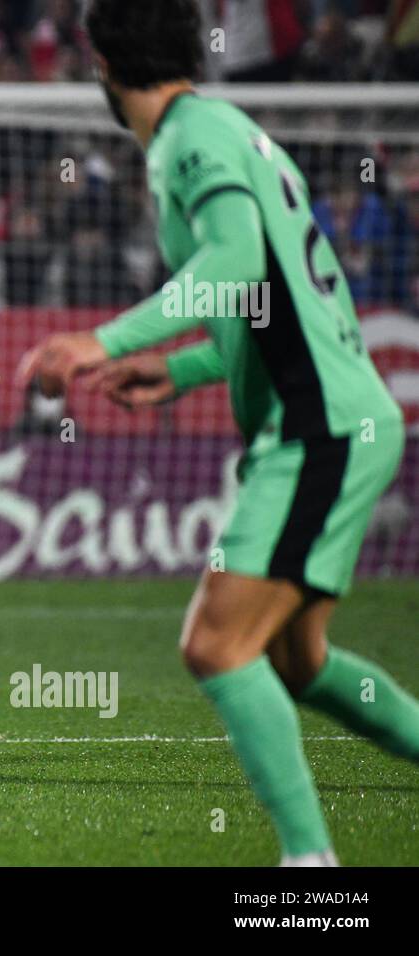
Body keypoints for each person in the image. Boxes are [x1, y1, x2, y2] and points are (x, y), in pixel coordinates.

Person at [22, 0, 419, 865]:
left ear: (102, 63)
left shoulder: (189, 142)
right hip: (337, 414)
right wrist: (187, 369)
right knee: (298, 661)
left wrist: (106, 340)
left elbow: (237, 264)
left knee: (216, 642)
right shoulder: (229, 129)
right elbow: (278, 297)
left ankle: (310, 871)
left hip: (319, 426)